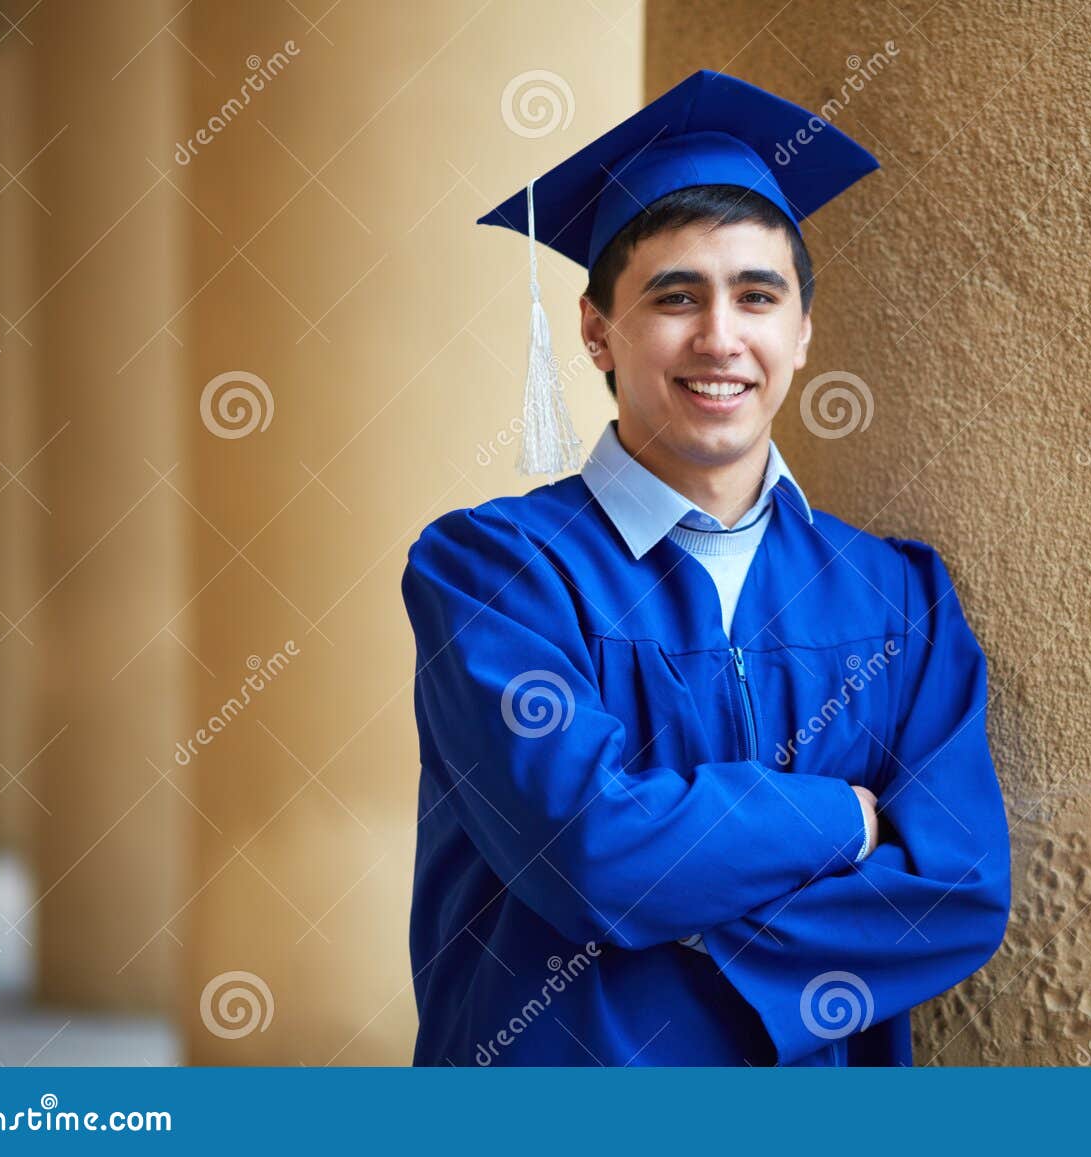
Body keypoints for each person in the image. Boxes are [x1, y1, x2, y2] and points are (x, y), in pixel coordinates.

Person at [402, 69, 1010, 1067]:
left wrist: (676, 907)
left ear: (802, 333)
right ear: (599, 330)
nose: (720, 336)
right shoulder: (494, 572)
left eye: (756, 296)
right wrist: (846, 819)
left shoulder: (896, 596)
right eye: (674, 297)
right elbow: (593, 850)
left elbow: (955, 888)